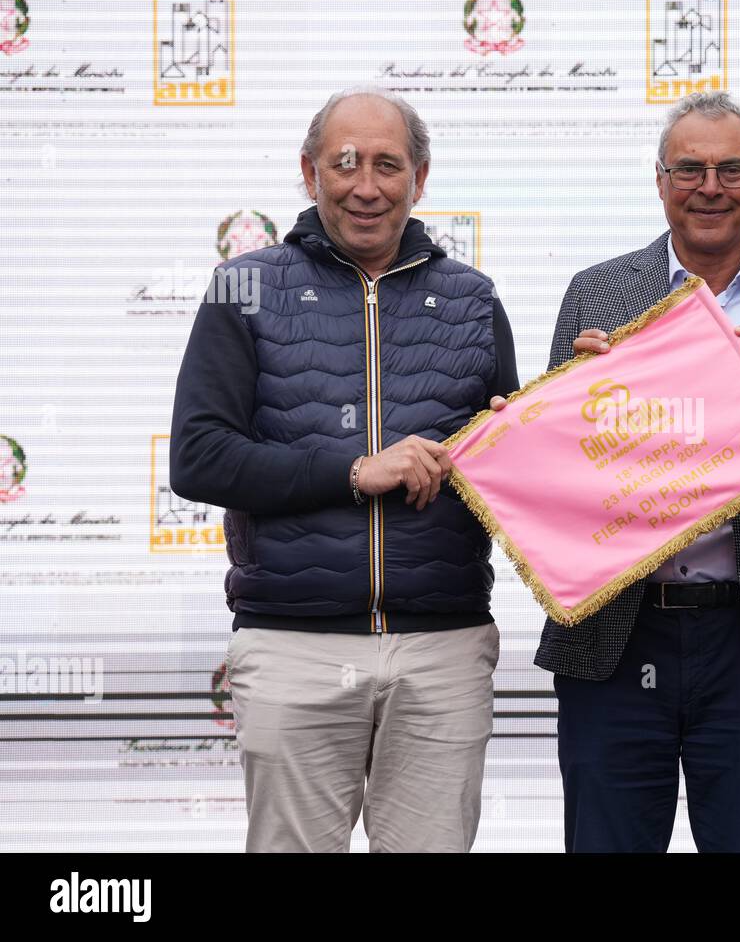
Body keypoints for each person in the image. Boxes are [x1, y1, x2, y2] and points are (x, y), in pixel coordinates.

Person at [169, 87, 519, 852]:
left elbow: (514, 469)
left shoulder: (472, 297)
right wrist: (355, 471)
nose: (367, 185)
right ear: (309, 172)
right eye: (345, 164)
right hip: (293, 646)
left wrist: (539, 427)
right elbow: (198, 456)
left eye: (388, 165)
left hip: (444, 646)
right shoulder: (243, 286)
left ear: (419, 179)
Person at [528, 91, 740, 852]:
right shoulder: (597, 293)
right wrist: (572, 408)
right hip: (617, 628)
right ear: (659, 181)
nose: (709, 187)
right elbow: (555, 477)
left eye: (730, 169)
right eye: (689, 169)